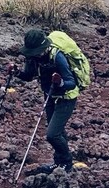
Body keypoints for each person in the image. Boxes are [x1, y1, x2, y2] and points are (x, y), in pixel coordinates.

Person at [13, 28, 83, 173]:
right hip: (49, 95)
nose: (35, 55)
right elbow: (28, 75)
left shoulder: (57, 56)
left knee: (52, 134)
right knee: (58, 132)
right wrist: (17, 73)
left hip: (66, 97)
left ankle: (66, 163)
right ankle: (59, 163)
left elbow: (72, 83)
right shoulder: (32, 56)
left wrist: (60, 83)